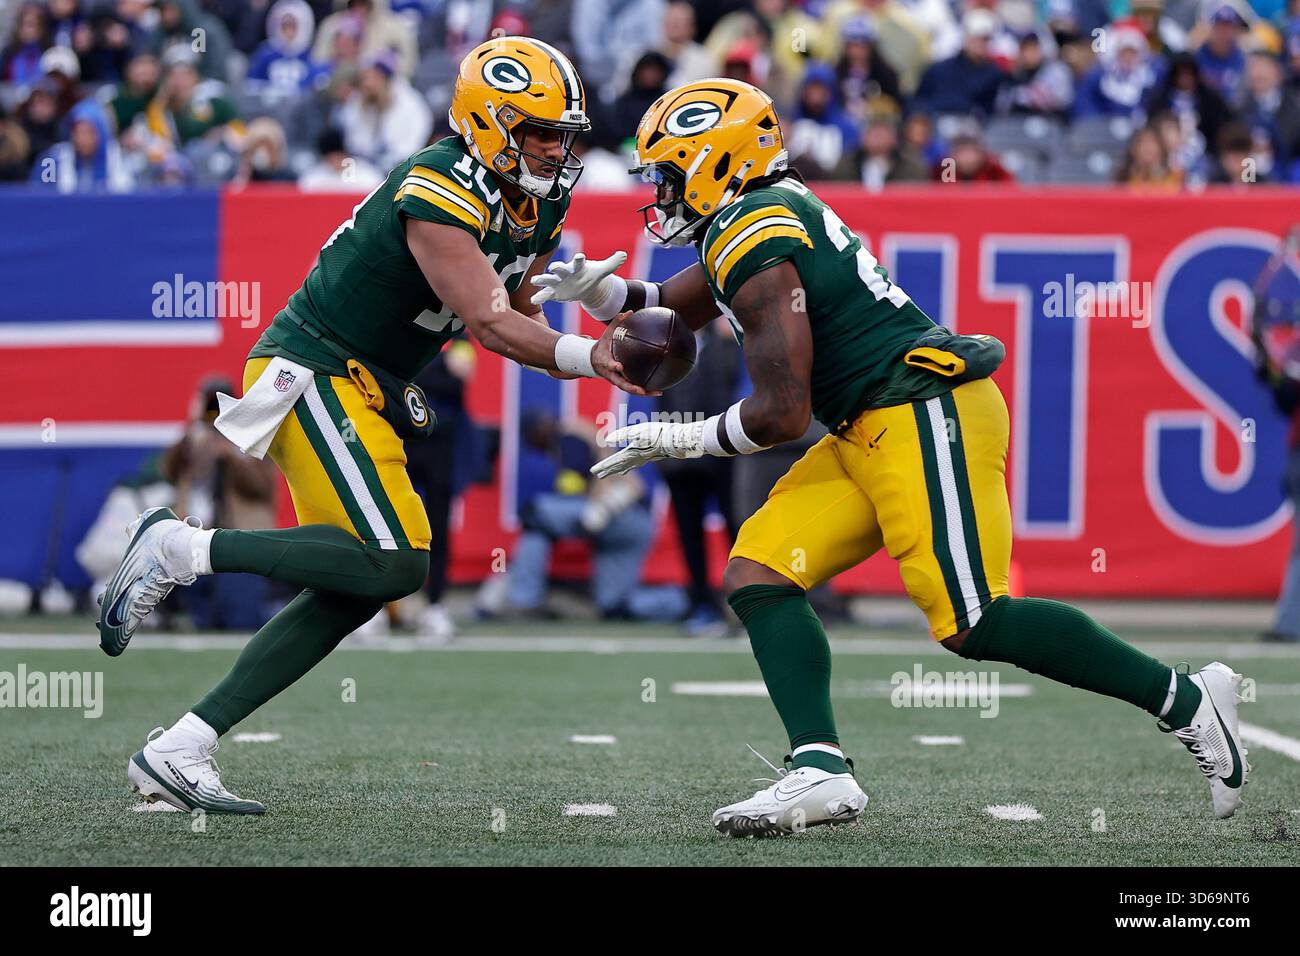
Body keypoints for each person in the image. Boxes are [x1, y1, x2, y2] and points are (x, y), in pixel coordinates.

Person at [537, 78, 1252, 836]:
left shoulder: (756, 231)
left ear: (716, 164)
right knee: (759, 571)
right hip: (869, 426)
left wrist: (676, 436)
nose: (659, 191)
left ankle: (1187, 699)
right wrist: (613, 297)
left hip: (923, 413)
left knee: (974, 620)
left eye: (669, 173)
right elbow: (699, 292)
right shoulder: (754, 215)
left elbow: (783, 415)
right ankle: (819, 769)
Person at [96, 36, 645, 815]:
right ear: (488, 124)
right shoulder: (439, 182)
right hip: (314, 367)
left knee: (365, 578)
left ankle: (179, 747)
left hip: (369, 386)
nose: (558, 150)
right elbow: (489, 325)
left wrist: (591, 296)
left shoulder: (537, 196)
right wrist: (596, 355)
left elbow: (512, 311)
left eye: (564, 133)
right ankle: (180, 547)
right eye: (540, 132)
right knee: (393, 560)